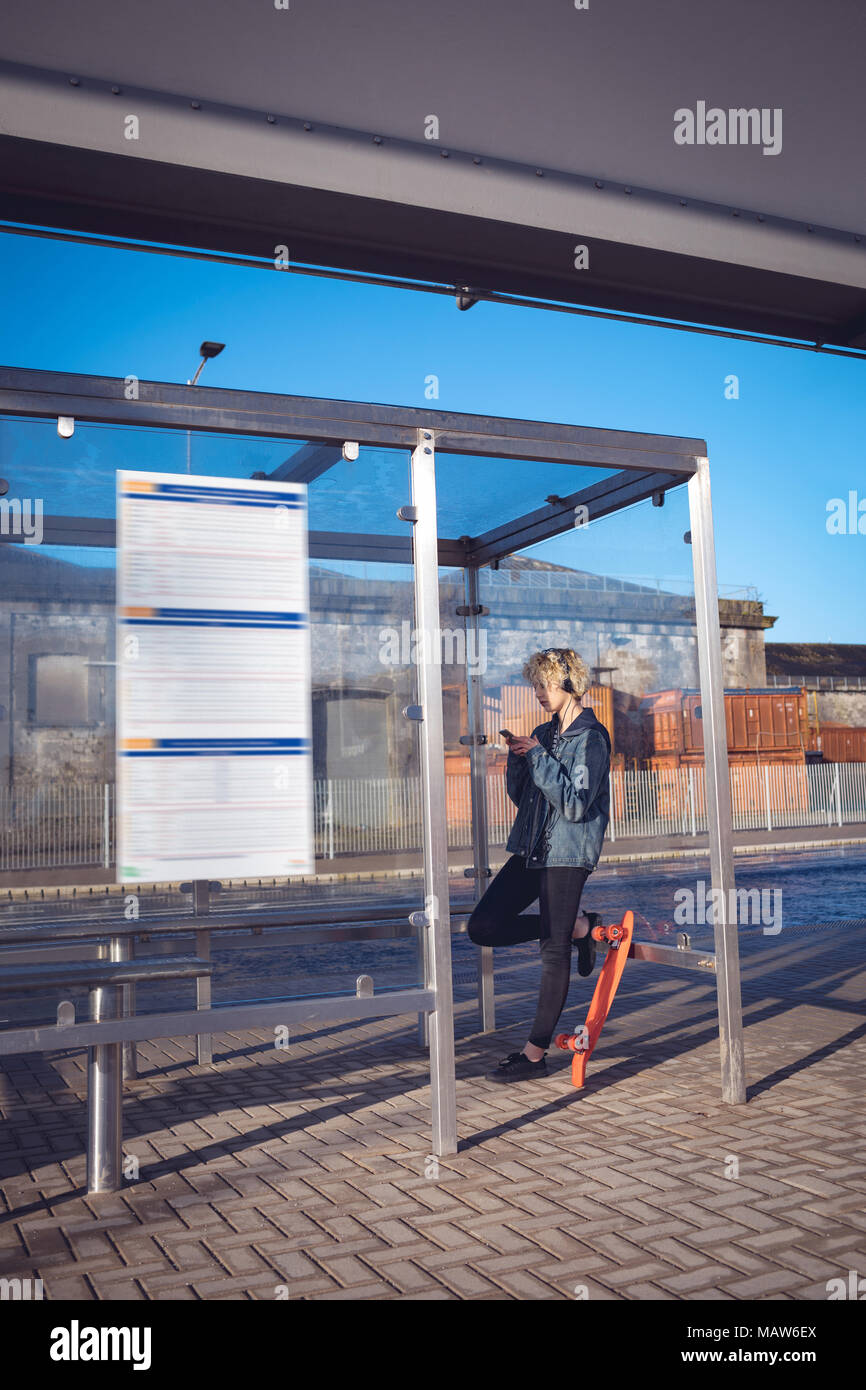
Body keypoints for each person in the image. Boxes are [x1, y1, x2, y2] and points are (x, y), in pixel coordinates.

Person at [467, 647, 611, 1082]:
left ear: (569, 683)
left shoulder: (592, 738)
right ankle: (578, 929)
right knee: (483, 926)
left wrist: (539, 759)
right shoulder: (542, 733)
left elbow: (573, 804)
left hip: (567, 852)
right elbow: (526, 796)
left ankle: (535, 1055)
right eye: (535, 685)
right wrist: (518, 760)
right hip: (531, 848)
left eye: (545, 684)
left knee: (553, 951)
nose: (539, 694)